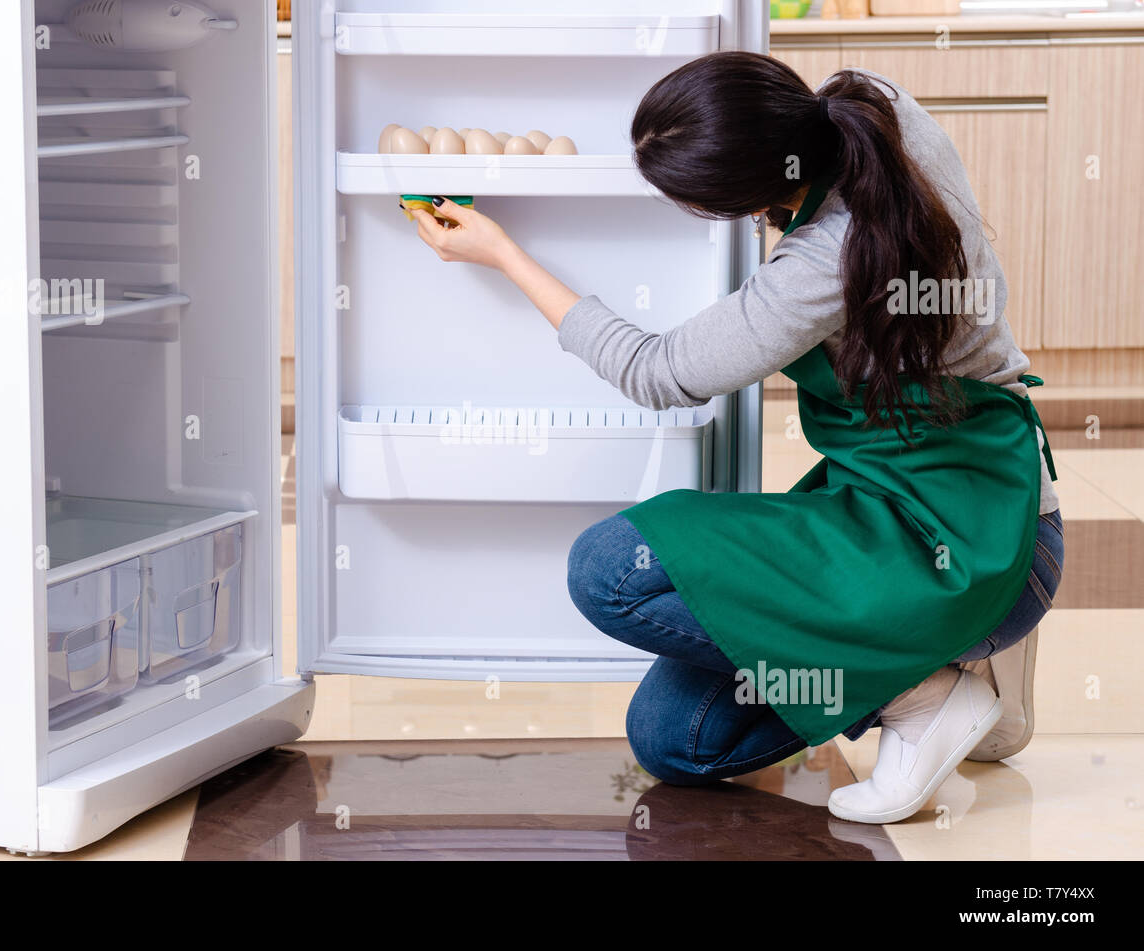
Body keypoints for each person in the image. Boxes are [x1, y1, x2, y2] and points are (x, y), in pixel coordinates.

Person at [410, 52, 1062, 824]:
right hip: (955, 505)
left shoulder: (821, 265)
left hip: (964, 537)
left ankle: (920, 694)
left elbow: (657, 371)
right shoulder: (874, 106)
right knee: (674, 741)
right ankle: (965, 653)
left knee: (611, 570)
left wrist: (503, 254)